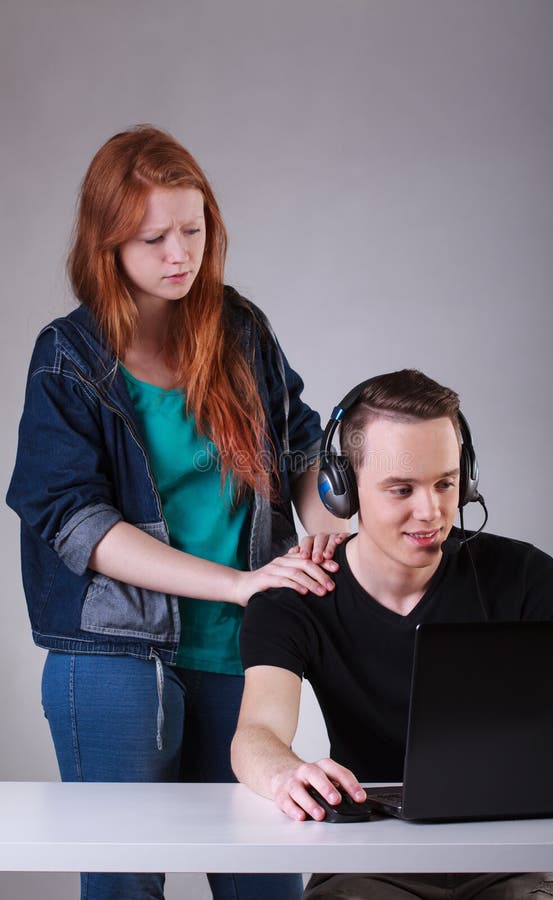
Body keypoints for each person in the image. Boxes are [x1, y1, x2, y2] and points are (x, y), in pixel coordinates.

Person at [6, 124, 348, 900]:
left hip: (241, 646)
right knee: (125, 886)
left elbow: (299, 448)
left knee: (265, 882)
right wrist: (235, 583)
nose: (178, 255)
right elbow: (72, 522)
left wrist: (328, 528)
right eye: (153, 237)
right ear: (108, 245)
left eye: (192, 229)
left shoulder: (240, 329)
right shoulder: (66, 357)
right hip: (113, 660)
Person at [231, 368, 553, 900]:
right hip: (368, 862)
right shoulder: (293, 599)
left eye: (445, 483)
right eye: (402, 489)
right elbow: (256, 733)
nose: (432, 511)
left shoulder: (529, 579)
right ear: (340, 490)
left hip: (511, 859)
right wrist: (285, 775)